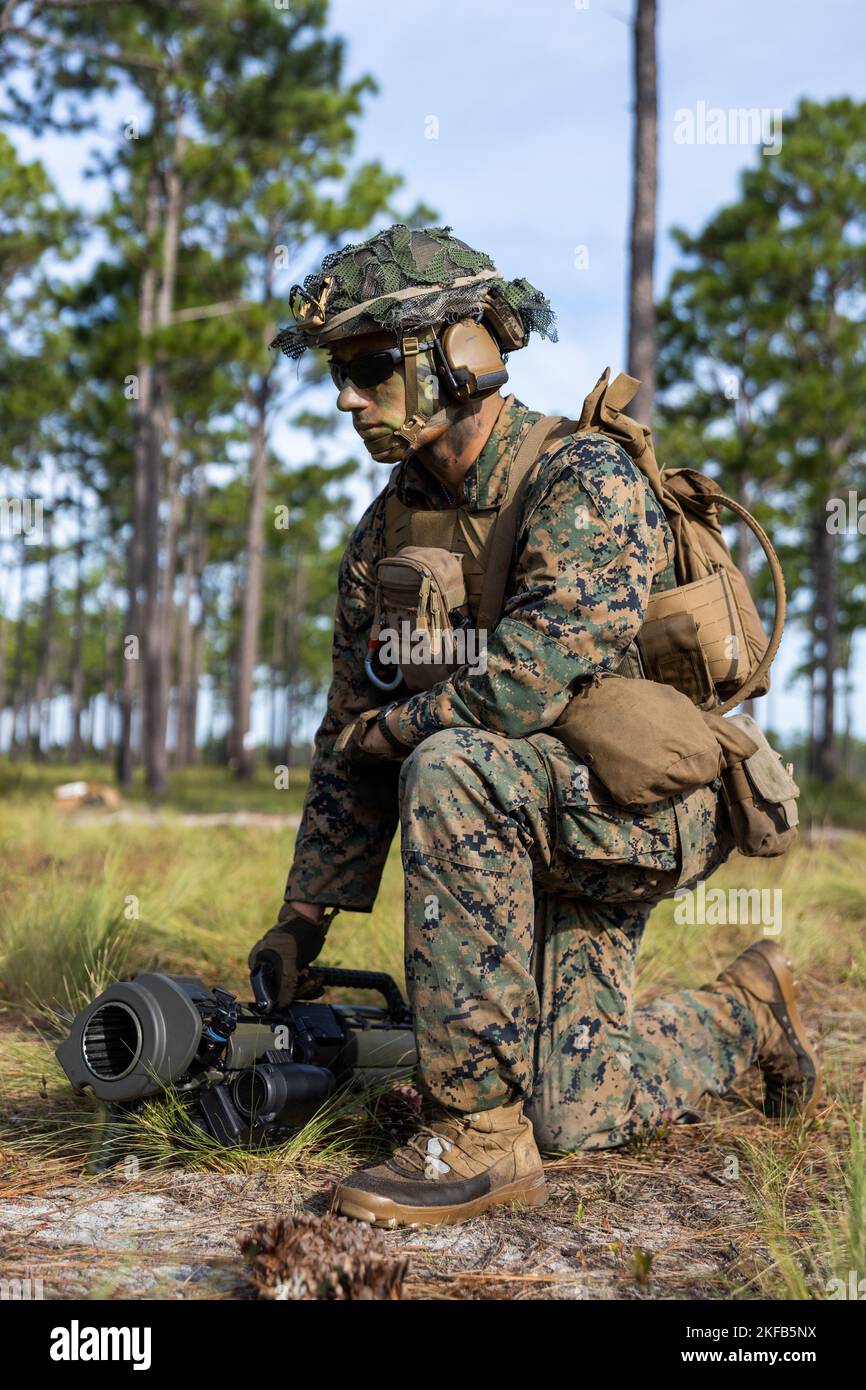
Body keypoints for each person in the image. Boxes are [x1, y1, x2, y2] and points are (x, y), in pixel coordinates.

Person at [248, 224, 820, 1229]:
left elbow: (519, 683)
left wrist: (397, 733)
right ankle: (746, 1010)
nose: (347, 398)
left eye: (371, 369)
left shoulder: (581, 479)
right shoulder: (383, 530)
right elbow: (350, 726)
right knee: (574, 1110)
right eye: (339, 375)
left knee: (450, 765)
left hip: (640, 813)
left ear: (458, 357)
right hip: (526, 823)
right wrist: (304, 919)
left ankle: (475, 1133)